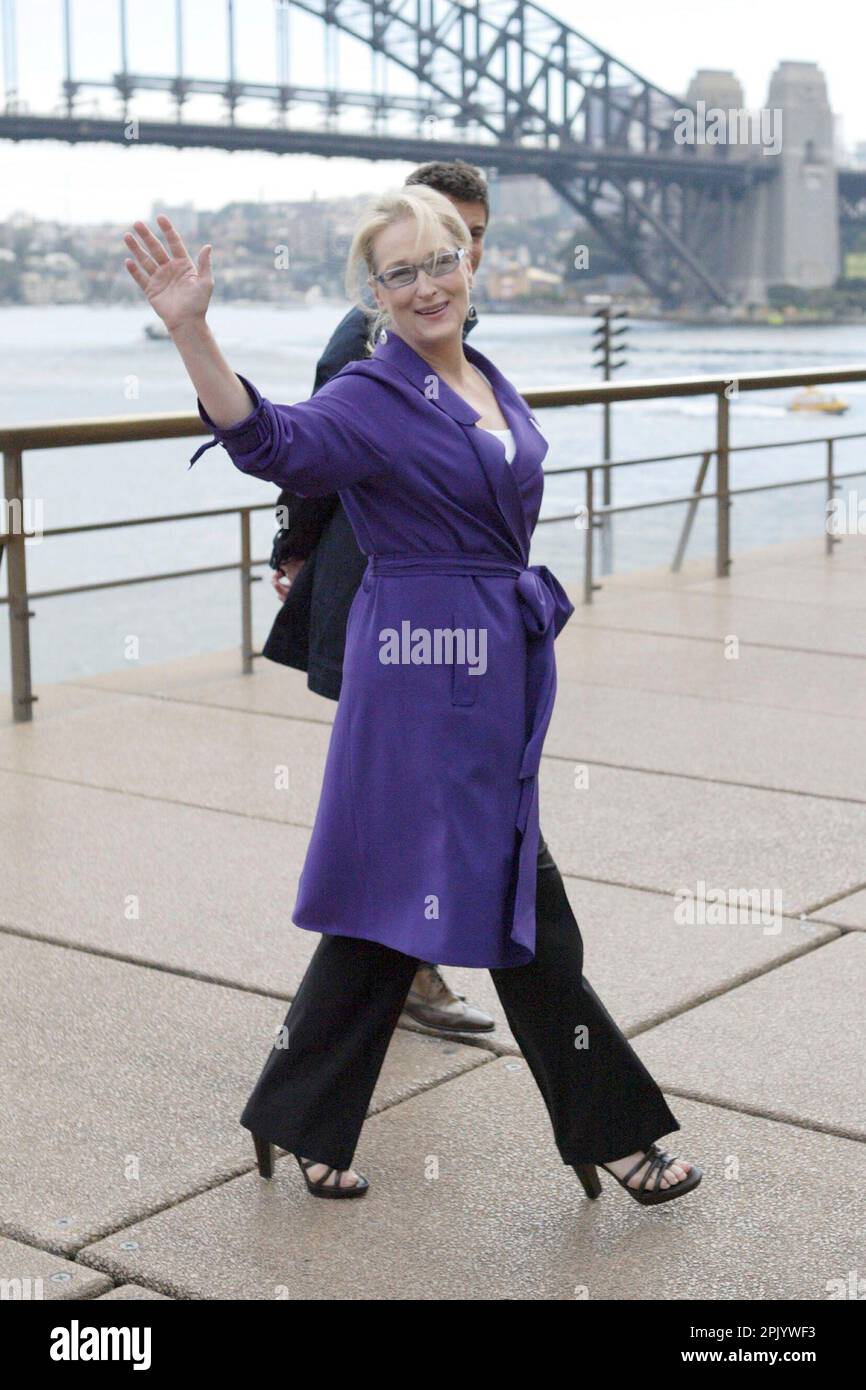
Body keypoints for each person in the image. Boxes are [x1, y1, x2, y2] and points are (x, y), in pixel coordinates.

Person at [123, 190, 703, 1207]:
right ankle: (611, 1131)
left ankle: (294, 1114)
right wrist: (192, 331)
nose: (426, 284)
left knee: (391, 907)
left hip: (487, 660)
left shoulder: (480, 374)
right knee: (520, 898)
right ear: (375, 293)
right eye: (400, 272)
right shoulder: (372, 392)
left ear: (468, 260)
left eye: (441, 260)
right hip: (423, 674)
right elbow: (272, 444)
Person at [264, 161, 495, 1037]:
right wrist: (293, 548)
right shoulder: (367, 334)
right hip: (379, 583)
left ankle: (378, 989)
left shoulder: (462, 318)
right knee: (403, 791)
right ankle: (399, 979)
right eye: (445, 228)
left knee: (415, 793)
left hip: (455, 606)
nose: (459, 246)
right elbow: (310, 444)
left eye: (471, 233)